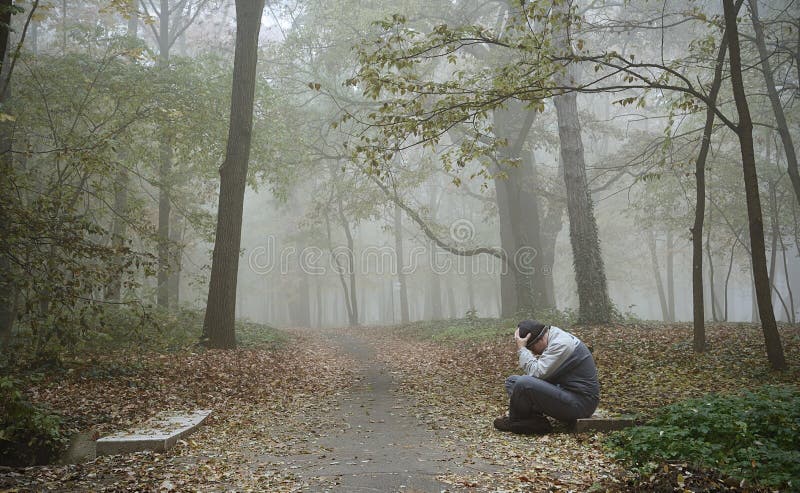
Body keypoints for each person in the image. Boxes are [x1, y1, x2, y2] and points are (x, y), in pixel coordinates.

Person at [493, 319, 600, 434]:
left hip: (581, 404)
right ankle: (534, 421)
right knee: (512, 382)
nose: (533, 353)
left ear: (539, 339)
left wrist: (522, 349)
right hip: (567, 394)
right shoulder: (555, 337)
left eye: (531, 348)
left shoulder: (561, 344)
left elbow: (536, 373)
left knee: (523, 383)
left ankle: (516, 422)